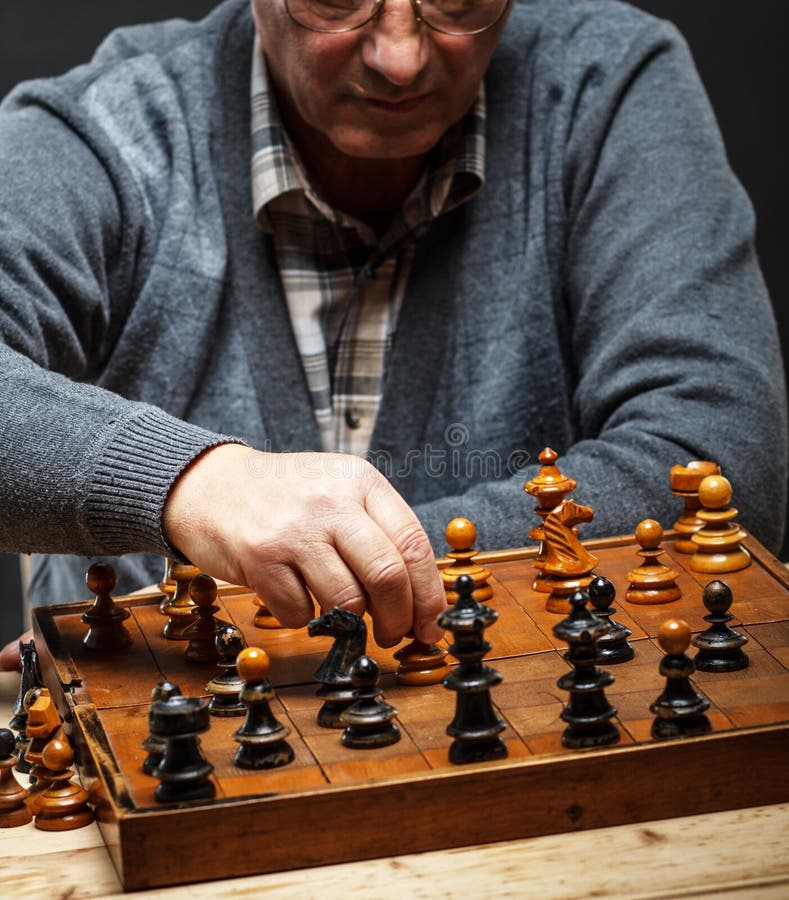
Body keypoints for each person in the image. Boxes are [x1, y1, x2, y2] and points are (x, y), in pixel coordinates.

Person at [0, 0, 786, 669]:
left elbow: (719, 466)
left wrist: (279, 594)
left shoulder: (604, 83)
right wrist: (190, 481)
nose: (401, 59)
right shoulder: (104, 126)